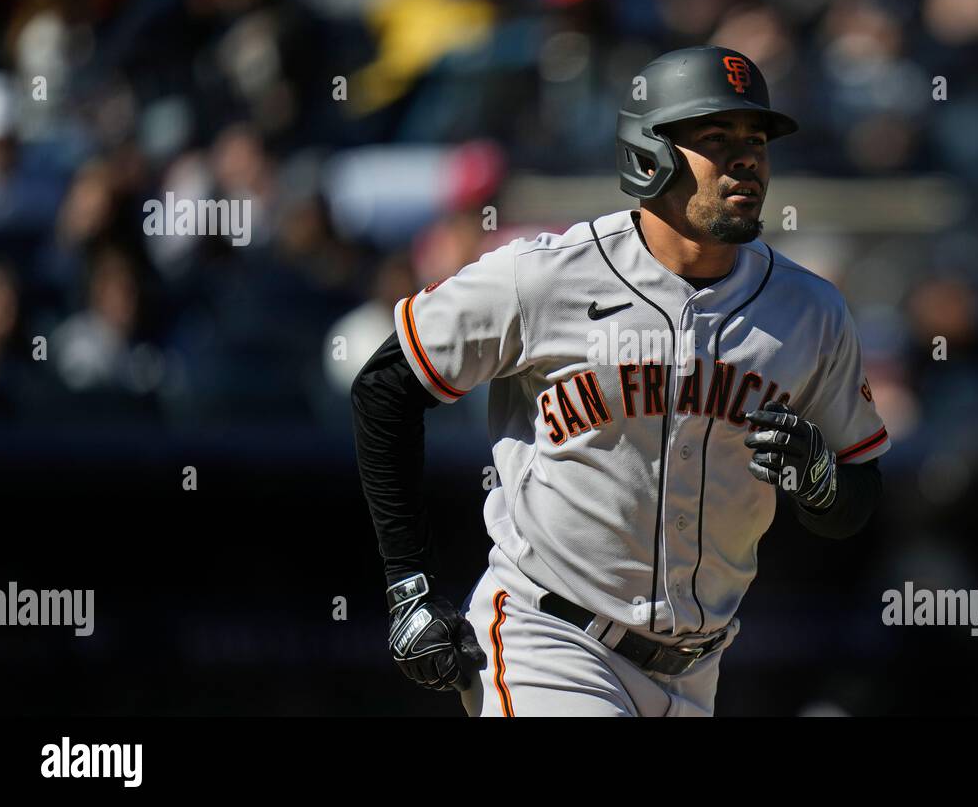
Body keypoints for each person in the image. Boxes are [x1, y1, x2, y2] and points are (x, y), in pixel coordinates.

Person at [351, 46, 889, 716]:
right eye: (715, 139)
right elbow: (384, 385)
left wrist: (824, 484)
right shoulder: (544, 276)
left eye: (756, 140)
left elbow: (859, 487)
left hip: (699, 670)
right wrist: (410, 583)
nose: (745, 159)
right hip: (550, 640)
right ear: (649, 153)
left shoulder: (810, 310)